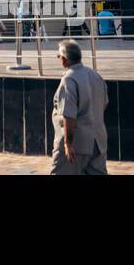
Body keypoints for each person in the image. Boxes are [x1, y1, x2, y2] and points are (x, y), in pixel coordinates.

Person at [49, 40, 108, 175]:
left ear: (64, 59)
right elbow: (104, 104)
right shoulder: (95, 75)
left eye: (59, 57)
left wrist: (68, 144)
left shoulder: (69, 79)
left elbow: (69, 115)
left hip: (77, 143)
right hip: (98, 142)